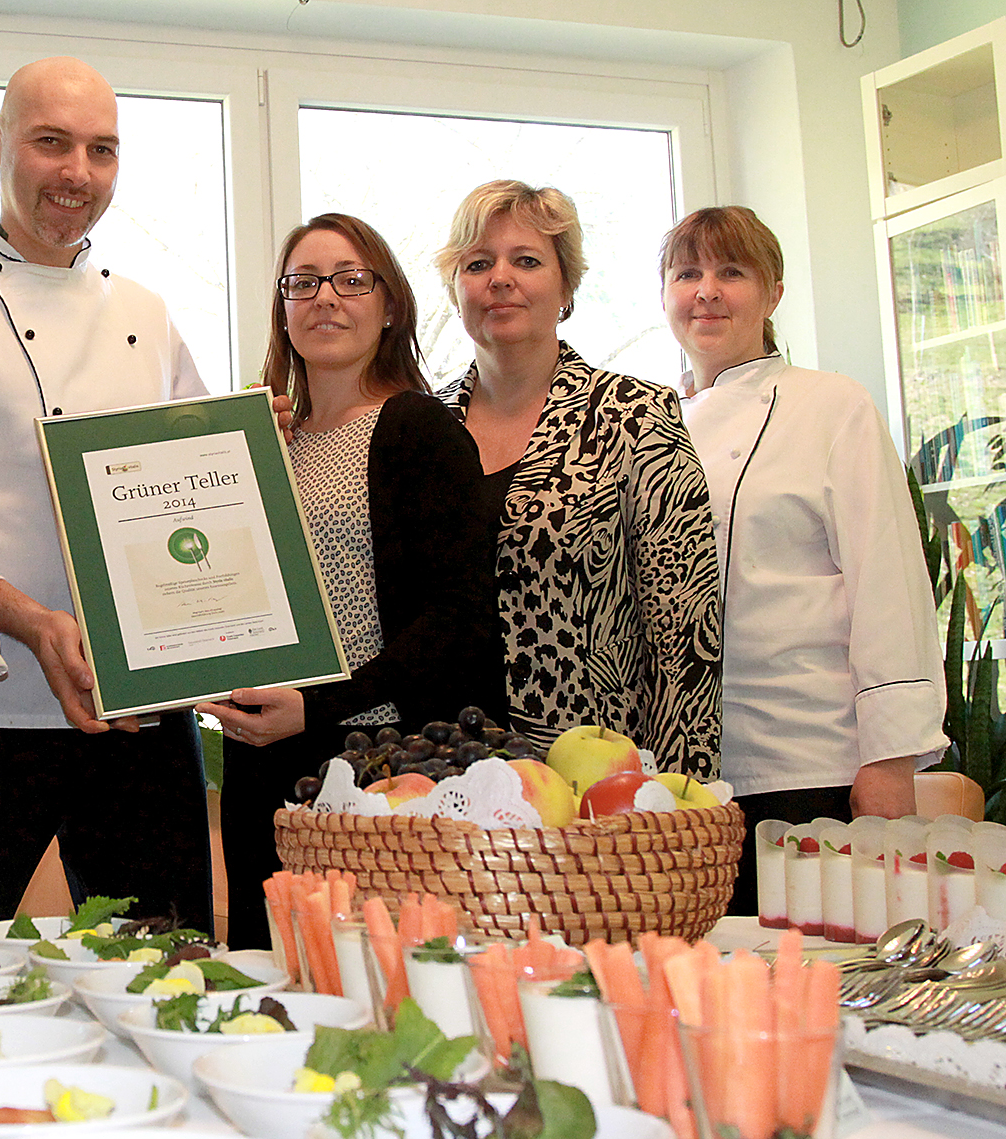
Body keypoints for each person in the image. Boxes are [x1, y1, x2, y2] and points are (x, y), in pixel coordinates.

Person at [0, 56, 214, 930]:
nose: (78, 172)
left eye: (101, 150)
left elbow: (196, 502)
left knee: (169, 956)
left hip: (142, 710)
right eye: (51, 143)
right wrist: (30, 619)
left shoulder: (145, 311)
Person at [197, 214, 504, 949]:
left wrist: (319, 706)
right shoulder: (264, 443)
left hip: (376, 769)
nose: (324, 298)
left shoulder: (418, 429)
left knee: (372, 983)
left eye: (350, 279)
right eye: (302, 283)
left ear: (389, 304)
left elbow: (456, 618)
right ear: (282, 306)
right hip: (263, 762)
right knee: (266, 982)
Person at [661, 205, 945, 913]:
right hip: (684, 782)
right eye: (687, 272)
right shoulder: (655, 422)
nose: (707, 290)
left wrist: (889, 758)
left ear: (774, 292)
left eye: (733, 271)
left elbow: (889, 583)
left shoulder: (831, 405)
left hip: (812, 760)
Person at [433, 180, 722, 777]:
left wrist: (671, 797)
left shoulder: (634, 414)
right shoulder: (423, 431)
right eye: (478, 263)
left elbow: (686, 631)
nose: (501, 278)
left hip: (596, 780)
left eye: (528, 260)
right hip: (440, 771)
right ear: (455, 288)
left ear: (566, 287)